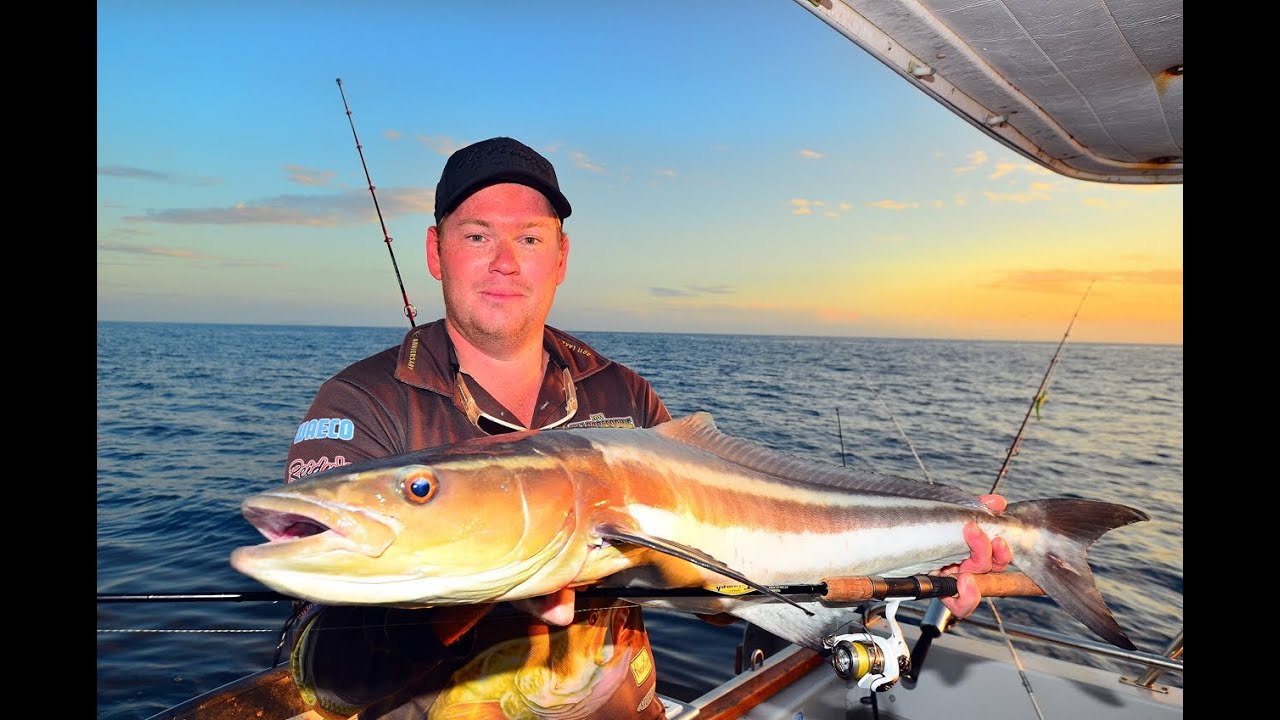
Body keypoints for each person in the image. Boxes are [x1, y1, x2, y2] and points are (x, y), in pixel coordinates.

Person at [281, 136, 1011, 719]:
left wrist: (902, 575)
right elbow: (327, 679)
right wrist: (475, 590)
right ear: (436, 252)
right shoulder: (365, 405)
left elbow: (722, 589)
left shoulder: (621, 395)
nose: (505, 262)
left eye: (531, 239)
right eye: (477, 236)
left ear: (561, 258)